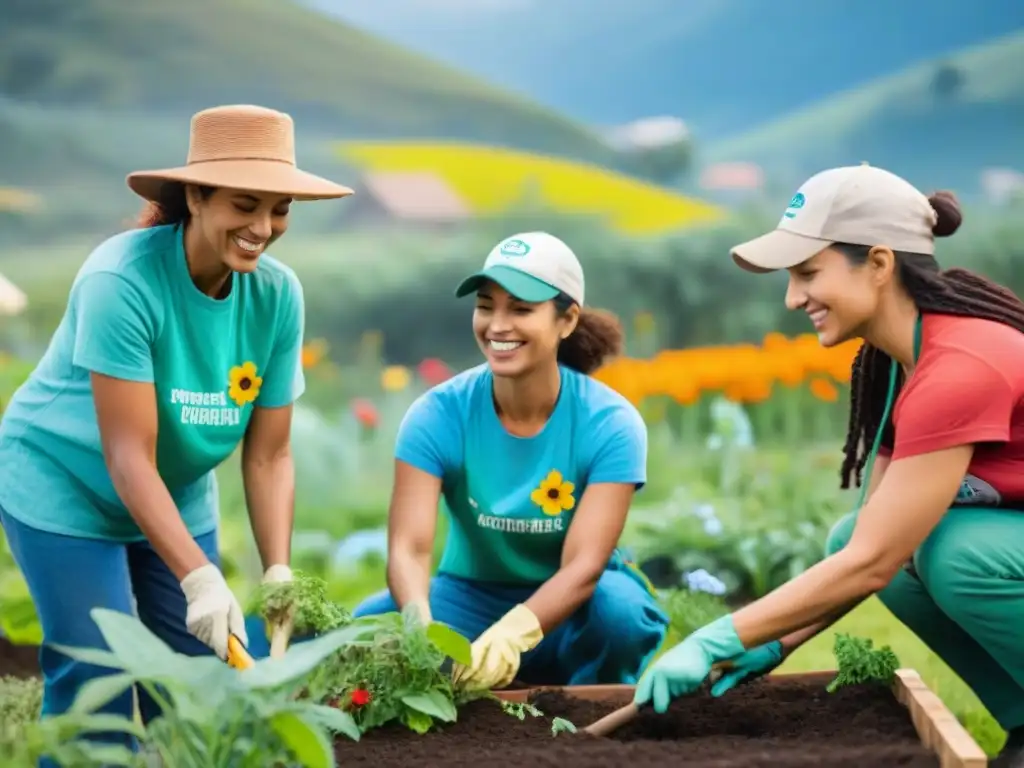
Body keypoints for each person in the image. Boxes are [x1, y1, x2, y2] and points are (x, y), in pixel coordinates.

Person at [632, 164, 1024, 767]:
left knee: (955, 555)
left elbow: (871, 563)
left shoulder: (960, 367)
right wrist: (778, 642)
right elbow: (869, 544)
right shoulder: (903, 360)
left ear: (878, 262)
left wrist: (720, 636)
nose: (793, 298)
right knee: (862, 537)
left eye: (809, 273)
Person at [0, 105, 353, 753]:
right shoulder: (122, 281)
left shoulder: (277, 296)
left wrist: (277, 571)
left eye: (279, 210)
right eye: (245, 205)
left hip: (175, 487)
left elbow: (270, 457)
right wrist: (198, 577)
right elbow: (127, 453)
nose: (263, 228)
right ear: (196, 195)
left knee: (204, 686)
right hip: (64, 484)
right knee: (99, 679)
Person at [353, 232, 670, 690]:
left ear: (567, 320)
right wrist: (419, 629)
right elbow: (409, 549)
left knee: (619, 617)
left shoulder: (610, 422)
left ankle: (590, 705)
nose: (498, 325)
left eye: (521, 309)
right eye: (486, 306)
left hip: (573, 606)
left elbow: (583, 566)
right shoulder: (439, 414)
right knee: (369, 626)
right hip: (468, 598)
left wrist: (513, 635)